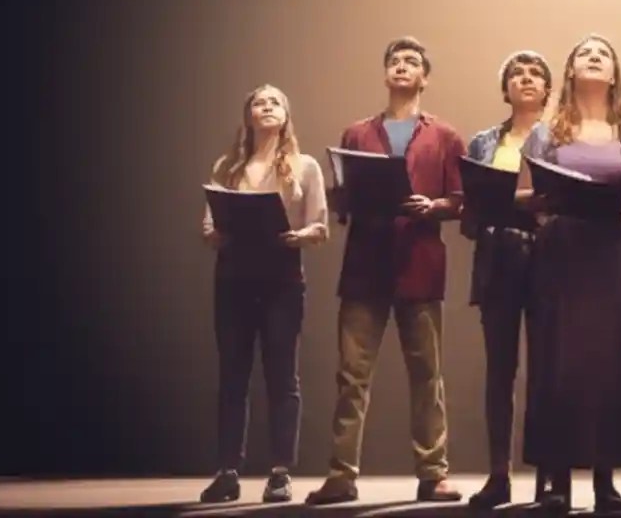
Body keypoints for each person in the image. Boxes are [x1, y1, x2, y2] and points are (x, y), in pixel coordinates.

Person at [306, 37, 465, 505]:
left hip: (418, 263)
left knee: (427, 374)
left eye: (411, 61)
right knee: (351, 375)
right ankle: (341, 474)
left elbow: (460, 200)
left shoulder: (445, 136)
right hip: (365, 265)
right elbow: (343, 198)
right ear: (384, 74)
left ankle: (433, 473)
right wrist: (343, 195)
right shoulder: (356, 134)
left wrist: (431, 205)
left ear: (424, 77)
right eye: (394, 61)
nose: (402, 66)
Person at [519, 34, 621, 513]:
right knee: (559, 364)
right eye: (584, 53)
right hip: (562, 253)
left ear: (614, 73)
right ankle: (556, 480)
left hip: (613, 253)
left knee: (611, 363)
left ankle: (605, 478)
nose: (594, 57)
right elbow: (524, 195)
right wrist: (540, 204)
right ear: (571, 71)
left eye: (603, 53)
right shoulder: (546, 131)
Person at [199, 85, 328, 504]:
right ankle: (227, 470)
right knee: (232, 375)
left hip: (282, 279)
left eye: (275, 101)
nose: (266, 106)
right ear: (248, 115)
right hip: (234, 277)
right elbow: (209, 225)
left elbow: (320, 227)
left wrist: (298, 236)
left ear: (286, 115)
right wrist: (214, 232)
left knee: (281, 376)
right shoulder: (227, 166)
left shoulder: (305, 166)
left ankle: (279, 471)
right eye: (259, 102)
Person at [463, 50, 553, 509]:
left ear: (549, 88)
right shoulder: (483, 141)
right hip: (497, 253)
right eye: (517, 73)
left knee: (544, 371)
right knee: (500, 371)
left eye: (536, 73)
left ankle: (545, 477)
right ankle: (499, 474)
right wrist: (510, 202)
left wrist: (519, 202)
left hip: (545, 256)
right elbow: (470, 211)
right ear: (506, 88)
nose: (526, 78)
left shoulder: (560, 136)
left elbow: (560, 198)